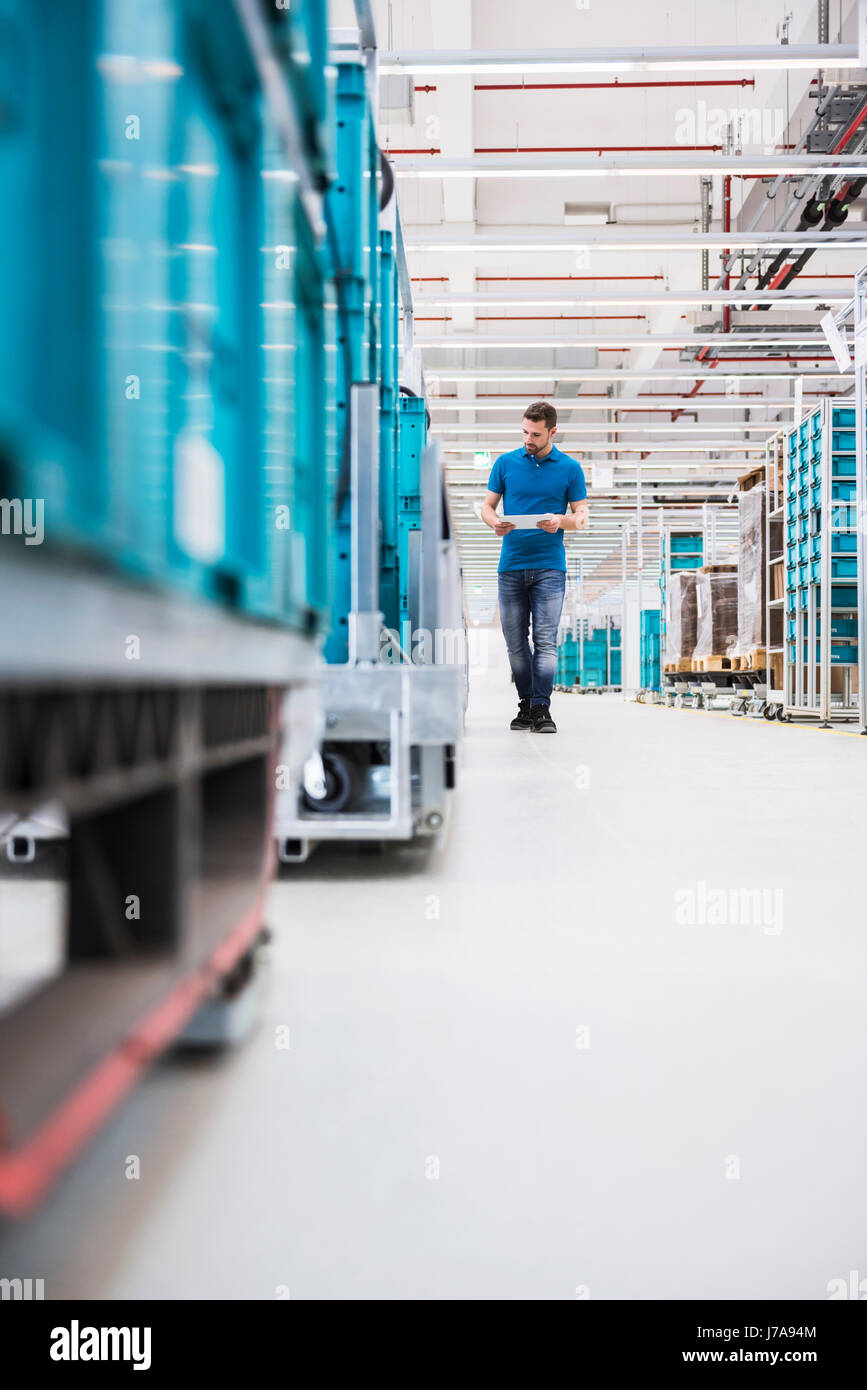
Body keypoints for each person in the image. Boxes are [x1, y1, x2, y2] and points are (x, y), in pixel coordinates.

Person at [481, 402, 588, 733]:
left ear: (552, 432)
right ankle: (525, 703)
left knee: (545, 639)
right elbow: (487, 506)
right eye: (525, 432)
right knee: (515, 642)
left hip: (549, 568)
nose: (528, 439)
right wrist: (494, 522)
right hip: (510, 565)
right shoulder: (505, 463)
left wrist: (561, 520)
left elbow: (581, 519)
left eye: (536, 434)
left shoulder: (570, 469)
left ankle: (542, 707)